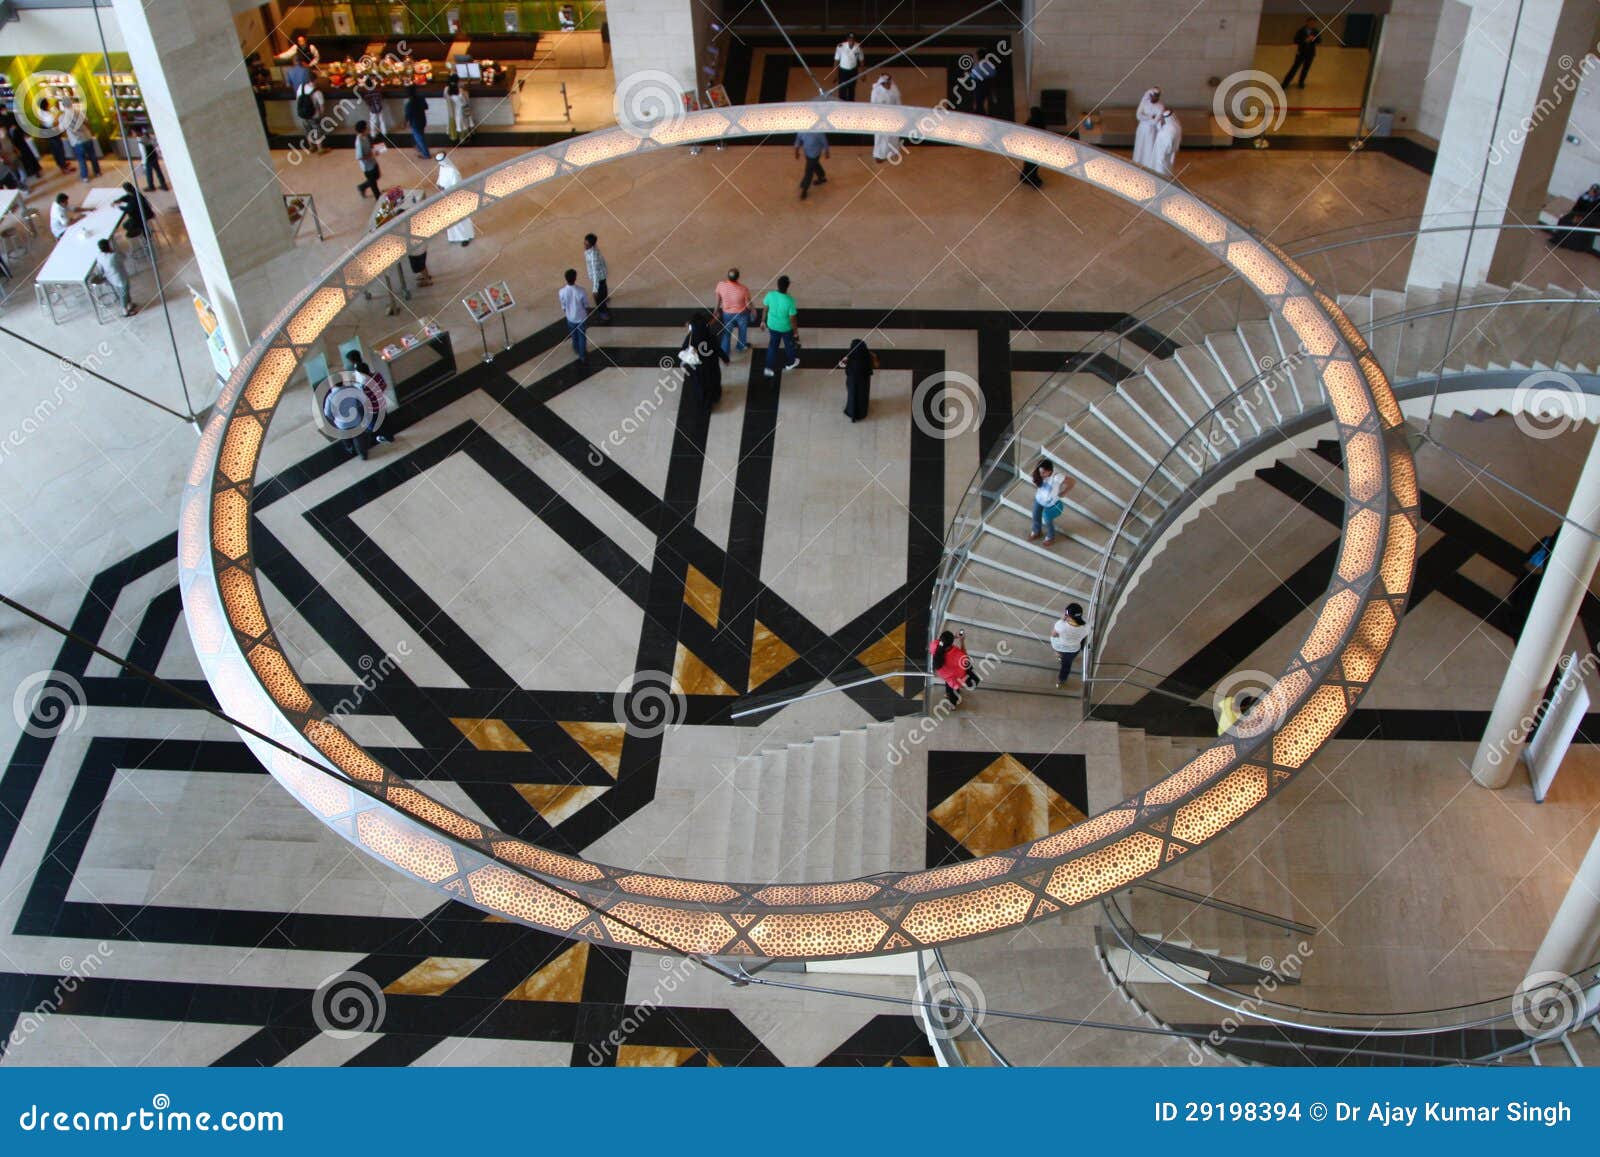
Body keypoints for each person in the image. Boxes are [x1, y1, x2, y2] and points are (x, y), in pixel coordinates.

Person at [344, 351, 395, 447]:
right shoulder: (375, 375)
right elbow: (383, 385)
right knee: (385, 420)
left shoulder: (364, 385)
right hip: (381, 402)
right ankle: (390, 436)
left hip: (373, 407)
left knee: (378, 423)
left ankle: (387, 436)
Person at [680, 312, 728, 412]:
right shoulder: (710, 336)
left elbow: (683, 349)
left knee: (701, 385)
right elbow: (718, 349)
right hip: (711, 365)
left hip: (698, 367)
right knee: (712, 381)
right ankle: (715, 396)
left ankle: (705, 405)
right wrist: (725, 359)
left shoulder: (691, 337)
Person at [762, 275, 800, 378]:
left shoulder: (770, 295)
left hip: (772, 325)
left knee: (773, 346)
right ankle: (791, 363)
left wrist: (762, 321)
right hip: (786, 328)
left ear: (777, 285)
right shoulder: (790, 300)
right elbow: (792, 319)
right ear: (788, 286)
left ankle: (768, 368)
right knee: (789, 345)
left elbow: (765, 309)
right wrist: (795, 332)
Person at [930, 629, 979, 707]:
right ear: (950, 644)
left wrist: (954, 637)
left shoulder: (934, 645)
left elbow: (942, 643)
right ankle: (953, 705)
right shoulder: (957, 654)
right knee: (954, 691)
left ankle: (947, 694)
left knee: (948, 684)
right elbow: (966, 660)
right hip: (955, 678)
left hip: (945, 674)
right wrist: (962, 641)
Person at [435, 153, 475, 245]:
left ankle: (465, 237)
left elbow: (456, 186)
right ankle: (454, 237)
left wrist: (445, 189)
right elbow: (440, 179)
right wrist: (439, 185)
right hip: (446, 196)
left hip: (456, 198)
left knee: (461, 219)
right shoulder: (442, 168)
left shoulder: (453, 171)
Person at [1030, 458, 1071, 545]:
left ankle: (1050, 536)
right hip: (1039, 499)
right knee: (1035, 515)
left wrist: (1064, 492)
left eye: (1043, 472)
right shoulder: (1039, 474)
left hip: (1051, 503)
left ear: (1050, 471)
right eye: (1040, 472)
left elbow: (1072, 482)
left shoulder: (1057, 477)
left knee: (1047, 520)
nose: (1041, 475)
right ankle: (1037, 531)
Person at [1548, 184, 1600, 251]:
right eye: (1591, 190)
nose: (1591, 192)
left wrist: (1581, 217)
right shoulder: (1584, 197)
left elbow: (1595, 214)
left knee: (1576, 224)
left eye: (1594, 191)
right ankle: (1558, 239)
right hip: (1578, 214)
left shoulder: (1598, 201)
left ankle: (1569, 244)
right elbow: (1576, 208)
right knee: (1565, 219)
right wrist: (1574, 215)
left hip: (1589, 219)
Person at [59, 101, 100, 182]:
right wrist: (91, 132)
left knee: (81, 159)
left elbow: (61, 129)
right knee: (92, 156)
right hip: (86, 137)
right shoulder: (79, 112)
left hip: (76, 141)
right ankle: (97, 172)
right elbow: (87, 122)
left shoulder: (62, 117)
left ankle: (85, 177)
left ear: (63, 106)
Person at [714, 267, 751, 356]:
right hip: (741, 314)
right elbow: (748, 305)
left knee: (727, 333)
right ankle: (740, 346)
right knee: (742, 330)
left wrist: (716, 311)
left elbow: (718, 300)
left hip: (727, 314)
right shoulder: (743, 289)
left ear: (728, 276)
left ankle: (725, 352)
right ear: (738, 277)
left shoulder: (720, 285)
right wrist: (752, 310)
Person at [1050, 604, 1090, 687]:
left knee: (1063, 660)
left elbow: (1053, 635)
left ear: (1068, 615)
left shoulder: (1061, 625)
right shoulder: (1086, 627)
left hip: (1061, 647)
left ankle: (1060, 658)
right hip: (1074, 649)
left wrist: (1062, 620)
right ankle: (1062, 680)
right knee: (1067, 665)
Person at [94, 238, 134, 316]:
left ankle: (129, 304)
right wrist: (115, 251)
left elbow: (100, 268)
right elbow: (124, 257)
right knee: (124, 293)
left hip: (110, 278)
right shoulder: (113, 256)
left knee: (123, 292)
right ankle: (125, 310)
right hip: (121, 277)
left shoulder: (99, 256)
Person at [558, 268, 591, 363]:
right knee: (582, 337)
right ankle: (582, 355)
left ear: (566, 279)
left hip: (570, 318)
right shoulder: (581, 291)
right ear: (575, 278)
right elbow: (586, 305)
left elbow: (563, 306)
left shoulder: (562, 292)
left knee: (574, 335)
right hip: (581, 318)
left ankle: (576, 348)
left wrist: (568, 312)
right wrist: (587, 313)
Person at [839, 337, 875, 421]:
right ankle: (862, 412)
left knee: (852, 396)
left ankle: (851, 412)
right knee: (862, 396)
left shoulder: (850, 356)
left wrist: (844, 360)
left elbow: (842, 365)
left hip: (852, 381)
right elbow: (874, 365)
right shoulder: (867, 356)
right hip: (863, 382)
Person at [870, 74, 903, 162]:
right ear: (882, 84)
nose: (889, 85)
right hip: (881, 118)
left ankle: (892, 153)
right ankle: (879, 155)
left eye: (889, 83)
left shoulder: (894, 89)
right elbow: (873, 106)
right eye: (887, 83)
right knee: (881, 138)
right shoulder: (876, 92)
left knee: (893, 137)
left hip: (893, 117)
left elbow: (898, 103)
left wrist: (899, 114)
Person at [1282, 18, 1321, 89]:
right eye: (1311, 23)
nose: (1312, 25)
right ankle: (1285, 83)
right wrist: (1305, 40)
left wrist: (1314, 39)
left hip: (1310, 54)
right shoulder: (1301, 30)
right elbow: (1296, 40)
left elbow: (1319, 41)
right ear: (1307, 23)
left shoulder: (1316, 31)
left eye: (1314, 23)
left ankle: (1301, 83)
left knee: (1305, 69)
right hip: (1301, 53)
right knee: (1294, 68)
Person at [1133, 86, 1165, 168]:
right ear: (1150, 95)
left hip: (1151, 131)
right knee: (1140, 147)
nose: (1156, 98)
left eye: (1157, 96)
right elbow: (1138, 116)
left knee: (1149, 148)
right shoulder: (1144, 103)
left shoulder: (1160, 106)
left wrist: (1145, 117)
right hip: (1141, 129)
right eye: (1154, 96)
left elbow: (1155, 122)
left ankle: (1148, 165)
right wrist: (1150, 116)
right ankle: (1137, 163)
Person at [36, 98, 70, 173]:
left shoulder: (40, 112)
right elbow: (54, 124)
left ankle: (61, 164)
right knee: (59, 149)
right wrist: (58, 115)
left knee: (55, 150)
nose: (49, 103)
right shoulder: (48, 115)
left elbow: (41, 122)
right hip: (53, 134)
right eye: (48, 102)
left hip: (48, 134)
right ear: (46, 105)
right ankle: (64, 167)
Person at [584, 233, 610, 322]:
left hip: (598, 277)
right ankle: (605, 297)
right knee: (604, 287)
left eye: (587, 244)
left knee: (598, 298)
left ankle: (603, 312)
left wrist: (595, 289)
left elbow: (595, 274)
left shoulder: (593, 256)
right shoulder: (593, 249)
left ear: (591, 245)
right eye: (584, 243)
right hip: (602, 274)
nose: (585, 246)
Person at [795, 130, 829, 200]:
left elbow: (824, 142)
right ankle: (821, 175)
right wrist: (796, 151)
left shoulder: (818, 132)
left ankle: (805, 188)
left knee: (808, 171)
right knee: (814, 164)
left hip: (815, 154)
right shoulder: (801, 130)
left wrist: (827, 152)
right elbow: (798, 140)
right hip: (807, 153)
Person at [1018, 105, 1047, 187]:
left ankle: (1026, 176)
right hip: (1034, 148)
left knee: (1029, 163)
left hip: (1030, 147)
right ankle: (1030, 177)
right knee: (1033, 164)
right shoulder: (1040, 122)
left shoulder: (1030, 122)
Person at [294, 75, 323, 153]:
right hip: (314, 115)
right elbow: (321, 106)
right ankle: (320, 149)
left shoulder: (300, 88)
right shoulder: (317, 91)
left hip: (303, 114)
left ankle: (311, 147)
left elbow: (298, 100)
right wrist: (321, 114)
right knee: (317, 131)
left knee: (307, 131)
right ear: (315, 80)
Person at [354, 121, 382, 199]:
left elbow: (370, 146)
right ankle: (378, 198)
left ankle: (362, 187)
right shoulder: (359, 142)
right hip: (367, 167)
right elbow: (359, 157)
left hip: (373, 162)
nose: (368, 128)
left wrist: (376, 149)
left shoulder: (365, 136)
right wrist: (372, 155)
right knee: (373, 184)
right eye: (366, 127)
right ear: (363, 129)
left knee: (377, 176)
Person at [1152, 108, 1182, 177]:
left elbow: (1168, 143)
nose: (1162, 119)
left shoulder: (1171, 129)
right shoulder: (1172, 126)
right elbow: (1161, 130)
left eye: (1163, 118)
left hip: (1164, 153)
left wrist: (1163, 154)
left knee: (1162, 168)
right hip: (1162, 151)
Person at [834, 34, 863, 101]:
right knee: (842, 89)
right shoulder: (840, 46)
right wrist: (835, 74)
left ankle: (851, 104)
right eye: (850, 39)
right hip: (843, 71)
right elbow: (836, 60)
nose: (851, 41)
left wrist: (863, 74)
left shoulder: (858, 47)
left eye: (853, 39)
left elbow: (861, 60)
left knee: (852, 89)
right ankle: (841, 103)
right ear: (847, 39)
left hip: (853, 71)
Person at [404, 85, 429, 158]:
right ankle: (419, 147)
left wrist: (405, 123)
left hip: (415, 123)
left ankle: (426, 154)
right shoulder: (421, 98)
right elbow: (426, 107)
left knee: (419, 138)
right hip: (422, 120)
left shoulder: (409, 104)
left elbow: (407, 116)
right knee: (421, 135)